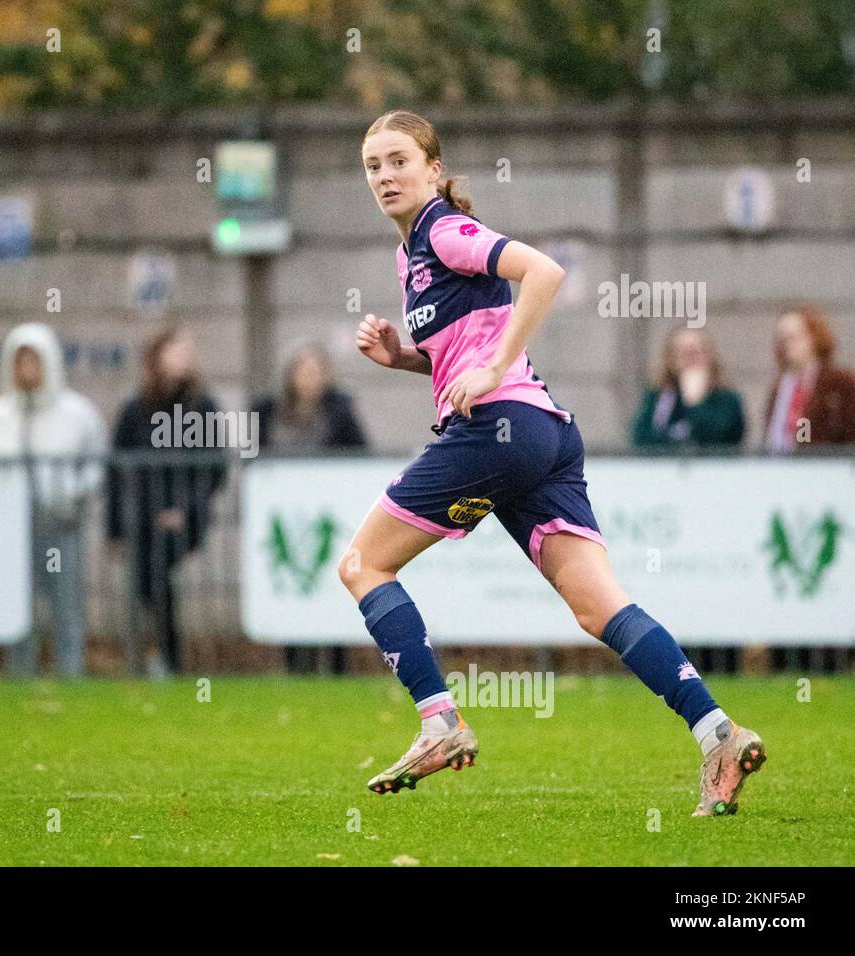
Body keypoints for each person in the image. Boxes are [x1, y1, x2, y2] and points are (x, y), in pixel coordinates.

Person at [342, 110, 764, 817]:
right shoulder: (411, 252)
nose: (384, 175)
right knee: (601, 607)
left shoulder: (443, 229)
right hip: (540, 434)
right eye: (372, 166)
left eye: (398, 161)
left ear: (434, 169)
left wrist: (496, 365)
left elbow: (545, 272)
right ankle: (718, 733)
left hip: (499, 428)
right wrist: (407, 360)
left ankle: (439, 721)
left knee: (363, 565)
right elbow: (463, 352)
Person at [0, 323, 106, 678]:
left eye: (34, 361)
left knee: (66, 606)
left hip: (60, 525)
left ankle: (71, 674)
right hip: (10, 532)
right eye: (19, 362)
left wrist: (67, 492)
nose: (26, 370)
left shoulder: (78, 414)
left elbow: (97, 466)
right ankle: (19, 674)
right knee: (17, 608)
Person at [107, 326, 226, 678]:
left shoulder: (202, 407)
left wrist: (184, 511)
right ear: (157, 357)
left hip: (183, 521)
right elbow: (117, 468)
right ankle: (159, 655)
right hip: (141, 517)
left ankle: (165, 657)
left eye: (187, 351)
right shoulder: (135, 408)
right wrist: (115, 528)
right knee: (147, 580)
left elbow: (213, 468)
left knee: (155, 576)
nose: (184, 357)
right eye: (176, 350)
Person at [255, 341, 367, 674]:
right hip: (285, 513)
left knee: (335, 583)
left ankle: (337, 664)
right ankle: (296, 665)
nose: (310, 378)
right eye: (304, 371)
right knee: (293, 585)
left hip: (329, 513)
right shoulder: (268, 412)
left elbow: (360, 454)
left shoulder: (340, 412)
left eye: (317, 371)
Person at [632, 327, 745, 448]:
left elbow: (720, 438)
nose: (691, 359)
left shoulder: (727, 399)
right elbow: (641, 439)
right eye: (684, 353)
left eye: (697, 352)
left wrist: (693, 402)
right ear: (671, 359)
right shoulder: (658, 396)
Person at [764, 305, 855, 452]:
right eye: (782, 339)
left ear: (814, 337)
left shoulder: (840, 383)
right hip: (783, 467)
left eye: (793, 337)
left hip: (829, 468)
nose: (787, 345)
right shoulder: (780, 387)